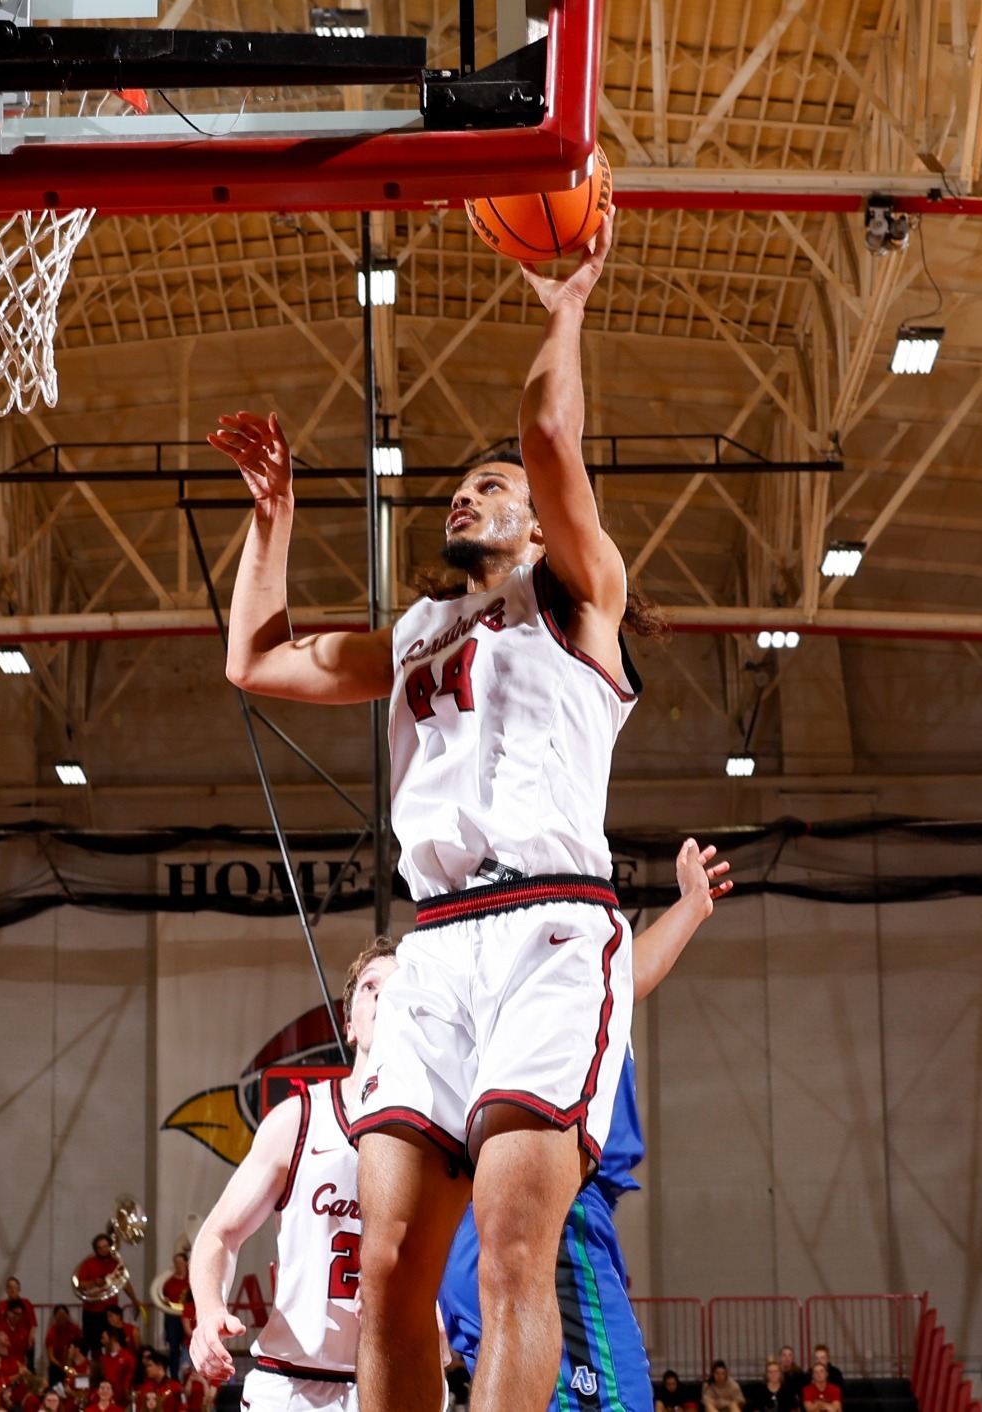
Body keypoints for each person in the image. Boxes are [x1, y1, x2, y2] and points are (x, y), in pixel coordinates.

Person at [214, 215, 645, 1412]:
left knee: (510, 1248)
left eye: (489, 487)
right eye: (458, 488)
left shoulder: (577, 604)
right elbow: (255, 659)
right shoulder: (413, 633)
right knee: (397, 1265)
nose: (468, 493)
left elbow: (549, 432)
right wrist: (272, 518)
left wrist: (562, 308)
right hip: (433, 944)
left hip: (552, 928)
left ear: (538, 525)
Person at [438, 839, 731, 1412]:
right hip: (551, 1215)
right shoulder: (541, 969)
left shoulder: (585, 977)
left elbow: (634, 969)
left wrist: (694, 903)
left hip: (504, 1215)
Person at [190, 941, 398, 1412]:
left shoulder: (442, 1133)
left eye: (399, 987)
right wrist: (209, 1312)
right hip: (292, 1383)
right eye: (371, 987)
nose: (385, 996)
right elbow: (219, 1234)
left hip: (391, 1381)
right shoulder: (300, 1119)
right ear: (349, 1024)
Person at [74, 1236, 132, 1349]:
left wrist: (135, 1301)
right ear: (96, 1249)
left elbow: (124, 1283)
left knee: (113, 1342)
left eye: (105, 1247)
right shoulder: (88, 1264)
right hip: (92, 1311)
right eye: (100, 1248)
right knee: (94, 1344)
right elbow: (80, 1285)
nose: (103, 1250)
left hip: (110, 1311)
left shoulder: (116, 1263)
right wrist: (94, 1282)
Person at [155, 1254, 191, 1379]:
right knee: (174, 1348)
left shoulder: (191, 1280)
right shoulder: (169, 1282)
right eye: (176, 1263)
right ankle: (174, 1376)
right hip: (173, 1318)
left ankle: (188, 1377)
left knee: (189, 1346)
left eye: (181, 1262)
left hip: (188, 1316)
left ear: (186, 1264)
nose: (178, 1265)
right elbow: (163, 1297)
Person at [0, 1279, 39, 1371]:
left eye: (15, 1287)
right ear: (6, 1290)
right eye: (10, 1287)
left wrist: (30, 1339)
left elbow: (33, 1323)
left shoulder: (26, 1304)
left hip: (23, 1340)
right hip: (6, 1343)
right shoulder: (1, 1306)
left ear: (19, 1289)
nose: (12, 1290)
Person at [45, 1307, 83, 1374]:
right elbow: (50, 1356)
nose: (61, 1318)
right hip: (58, 1365)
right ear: (55, 1317)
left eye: (63, 1315)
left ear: (68, 1316)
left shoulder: (75, 1329)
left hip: (73, 1363)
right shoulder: (51, 1333)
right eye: (59, 1315)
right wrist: (62, 1367)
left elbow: (82, 1347)